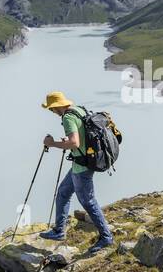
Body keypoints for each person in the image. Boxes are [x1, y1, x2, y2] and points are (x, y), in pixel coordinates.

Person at [39, 91, 113, 254]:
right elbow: (81, 135)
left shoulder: (67, 117)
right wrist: (67, 141)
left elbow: (74, 142)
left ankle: (106, 237)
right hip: (84, 162)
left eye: (51, 109)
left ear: (57, 107)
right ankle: (59, 231)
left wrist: (52, 143)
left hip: (82, 167)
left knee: (88, 201)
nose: (52, 112)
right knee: (63, 192)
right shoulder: (79, 109)